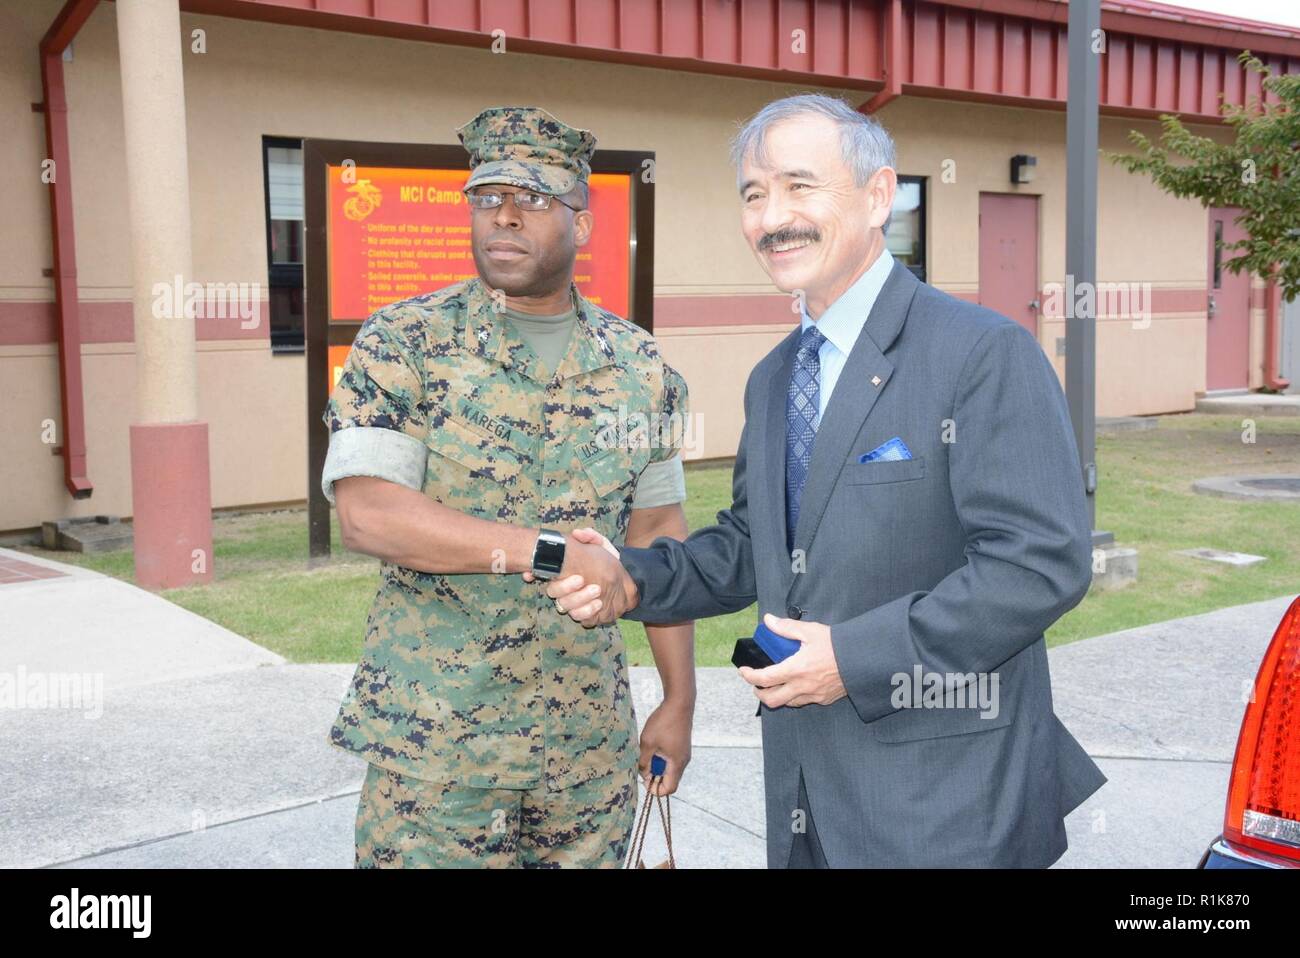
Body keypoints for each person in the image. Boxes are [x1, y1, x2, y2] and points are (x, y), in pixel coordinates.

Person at [546, 93, 1107, 868]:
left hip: (947, 805)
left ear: (879, 197)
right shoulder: (776, 377)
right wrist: (630, 578)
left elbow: (1039, 563)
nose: (773, 217)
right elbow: (754, 545)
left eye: (800, 185)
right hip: (806, 793)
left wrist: (856, 658)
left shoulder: (981, 355)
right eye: (754, 193)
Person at [321, 106, 695, 868]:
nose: (507, 217)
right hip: (438, 747)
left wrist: (679, 700)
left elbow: (659, 535)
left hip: (584, 750)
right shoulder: (404, 343)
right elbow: (367, 514)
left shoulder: (641, 367)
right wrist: (550, 552)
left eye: (534, 200)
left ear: (583, 225)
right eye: (488, 198)